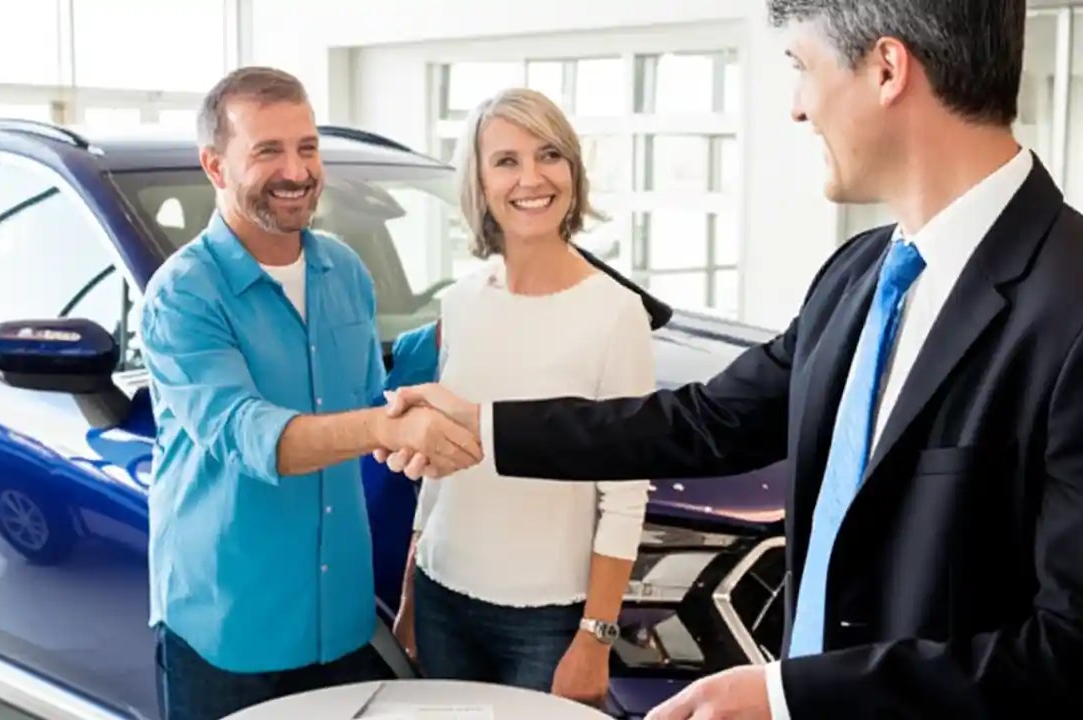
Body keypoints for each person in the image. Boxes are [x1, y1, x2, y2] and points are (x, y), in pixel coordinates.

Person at [379, 1, 1083, 718]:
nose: (797, 109)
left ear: (886, 69)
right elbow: (703, 422)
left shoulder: (1069, 305)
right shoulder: (859, 274)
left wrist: (785, 694)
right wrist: (483, 426)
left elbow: (1068, 654)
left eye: (802, 69)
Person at [139, 66, 481, 720]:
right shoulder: (184, 296)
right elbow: (253, 436)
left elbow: (365, 402)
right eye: (267, 151)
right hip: (232, 627)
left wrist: (461, 329)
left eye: (307, 147)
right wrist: (388, 429)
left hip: (343, 620)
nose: (296, 170)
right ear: (214, 166)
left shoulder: (343, 272)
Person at [388, 88, 652, 706]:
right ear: (478, 182)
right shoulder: (461, 301)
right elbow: (439, 469)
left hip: (549, 622)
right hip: (443, 597)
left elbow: (624, 494)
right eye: (506, 161)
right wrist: (410, 594)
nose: (532, 178)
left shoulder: (616, 314)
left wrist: (597, 636)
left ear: (573, 172)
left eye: (550, 154)